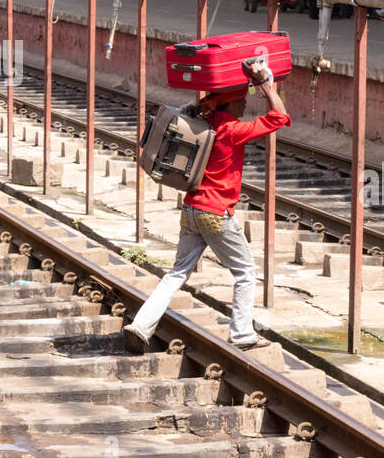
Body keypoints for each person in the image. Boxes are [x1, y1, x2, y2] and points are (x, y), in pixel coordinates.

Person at [122, 58, 290, 354]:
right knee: (245, 272)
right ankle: (241, 334)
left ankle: (140, 326)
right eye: (240, 101)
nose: (244, 106)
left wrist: (203, 103)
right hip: (216, 214)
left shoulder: (203, 123)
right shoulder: (233, 130)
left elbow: (191, 110)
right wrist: (265, 85)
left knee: (176, 274)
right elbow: (280, 118)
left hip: (191, 210)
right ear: (230, 106)